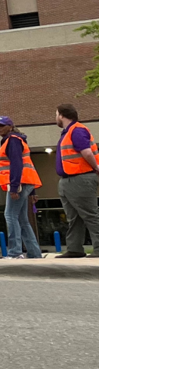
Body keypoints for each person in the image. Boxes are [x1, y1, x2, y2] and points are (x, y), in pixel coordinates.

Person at [0, 115, 44, 260]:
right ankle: (34, 253)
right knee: (22, 219)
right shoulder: (17, 139)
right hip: (26, 182)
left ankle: (15, 252)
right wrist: (32, 190)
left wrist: (14, 187)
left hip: (18, 183)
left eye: (1, 125)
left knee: (10, 215)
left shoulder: (13, 140)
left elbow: (16, 164)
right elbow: (27, 165)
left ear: (10, 126)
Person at [54, 103, 100, 258]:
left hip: (80, 178)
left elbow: (86, 152)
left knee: (90, 215)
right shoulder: (67, 132)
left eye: (56, 114)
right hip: (68, 179)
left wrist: (97, 168)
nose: (56, 118)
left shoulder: (77, 130)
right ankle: (75, 249)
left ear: (61, 115)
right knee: (74, 217)